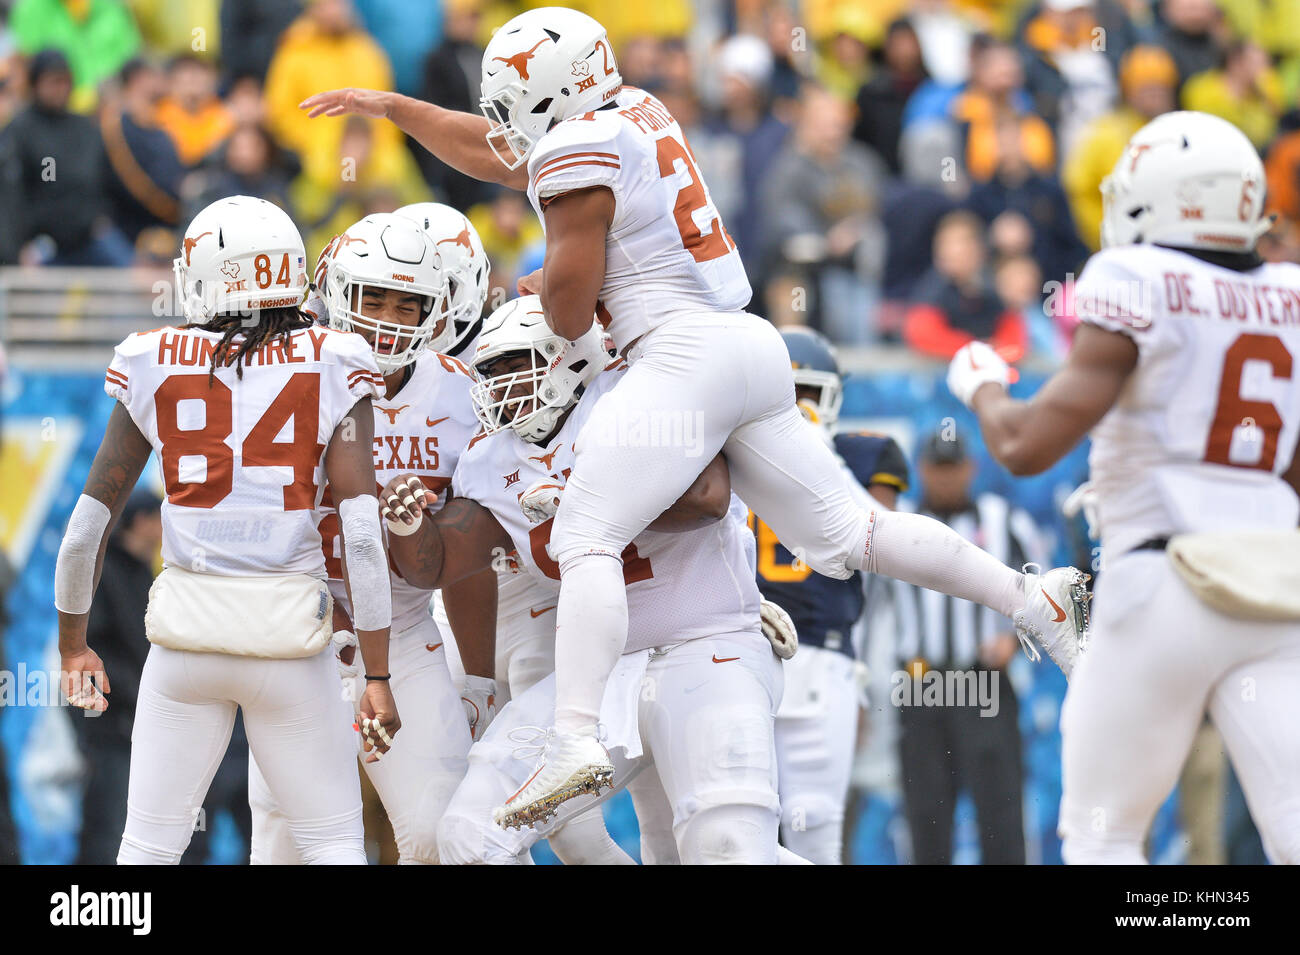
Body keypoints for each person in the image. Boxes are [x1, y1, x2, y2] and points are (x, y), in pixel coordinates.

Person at [301, 6, 1091, 829]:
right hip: (747, 345)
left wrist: (545, 283)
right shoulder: (635, 109)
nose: (502, 116)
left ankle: (573, 737)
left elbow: (569, 317)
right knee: (849, 532)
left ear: (548, 88)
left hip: (676, 353)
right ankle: (1033, 599)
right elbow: (504, 158)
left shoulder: (573, 149)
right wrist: (396, 110)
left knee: (583, 532)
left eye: (511, 96)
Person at [947, 110, 1300, 864]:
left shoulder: (1137, 278)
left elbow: (1023, 444)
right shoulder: (1291, 294)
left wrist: (982, 385)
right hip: (1278, 591)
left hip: (1163, 585)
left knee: (1103, 836)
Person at [54, 196, 400, 864]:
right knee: (333, 844)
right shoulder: (334, 356)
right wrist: (379, 672)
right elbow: (361, 535)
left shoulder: (154, 356)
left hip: (188, 640)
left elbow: (85, 530)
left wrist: (74, 645)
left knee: (146, 847)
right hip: (289, 644)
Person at [382, 295, 787, 863]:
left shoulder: (633, 395)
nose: (497, 385)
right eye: (489, 371)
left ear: (569, 359)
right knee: (470, 833)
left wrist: (576, 505)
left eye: (513, 365)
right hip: (600, 676)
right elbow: (440, 563)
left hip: (705, 649)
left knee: (724, 845)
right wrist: (408, 527)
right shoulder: (491, 455)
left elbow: (707, 498)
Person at [754, 328, 909, 865]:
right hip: (742, 651)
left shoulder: (862, 457)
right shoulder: (730, 453)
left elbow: (886, 540)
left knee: (817, 833)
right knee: (734, 829)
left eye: (807, 394)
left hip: (825, 656)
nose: (796, 408)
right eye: (784, 392)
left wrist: (824, 463)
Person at [889, 428, 1034, 866]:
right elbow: (870, 606)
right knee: (926, 813)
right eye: (938, 468)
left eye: (954, 468)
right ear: (922, 470)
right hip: (921, 683)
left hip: (983, 681)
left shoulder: (1002, 519)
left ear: (970, 468)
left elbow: (1041, 596)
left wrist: (1015, 637)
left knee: (1000, 809)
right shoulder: (898, 524)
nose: (947, 478)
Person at [73, 489, 161, 864]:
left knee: (146, 827)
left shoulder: (144, 572)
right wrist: (139, 694)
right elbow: (97, 652)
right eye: (159, 518)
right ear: (140, 521)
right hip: (109, 725)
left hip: (141, 722)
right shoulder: (103, 571)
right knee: (109, 824)